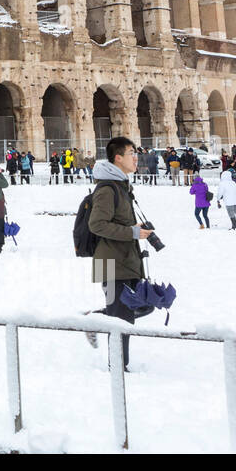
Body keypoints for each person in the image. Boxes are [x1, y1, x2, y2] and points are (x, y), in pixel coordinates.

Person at [85, 137, 155, 370]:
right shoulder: (107, 189)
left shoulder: (121, 186)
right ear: (118, 158)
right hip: (110, 262)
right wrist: (132, 232)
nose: (136, 157)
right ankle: (118, 368)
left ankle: (95, 318)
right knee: (122, 319)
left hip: (125, 260)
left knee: (144, 305)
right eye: (131, 153)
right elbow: (97, 225)